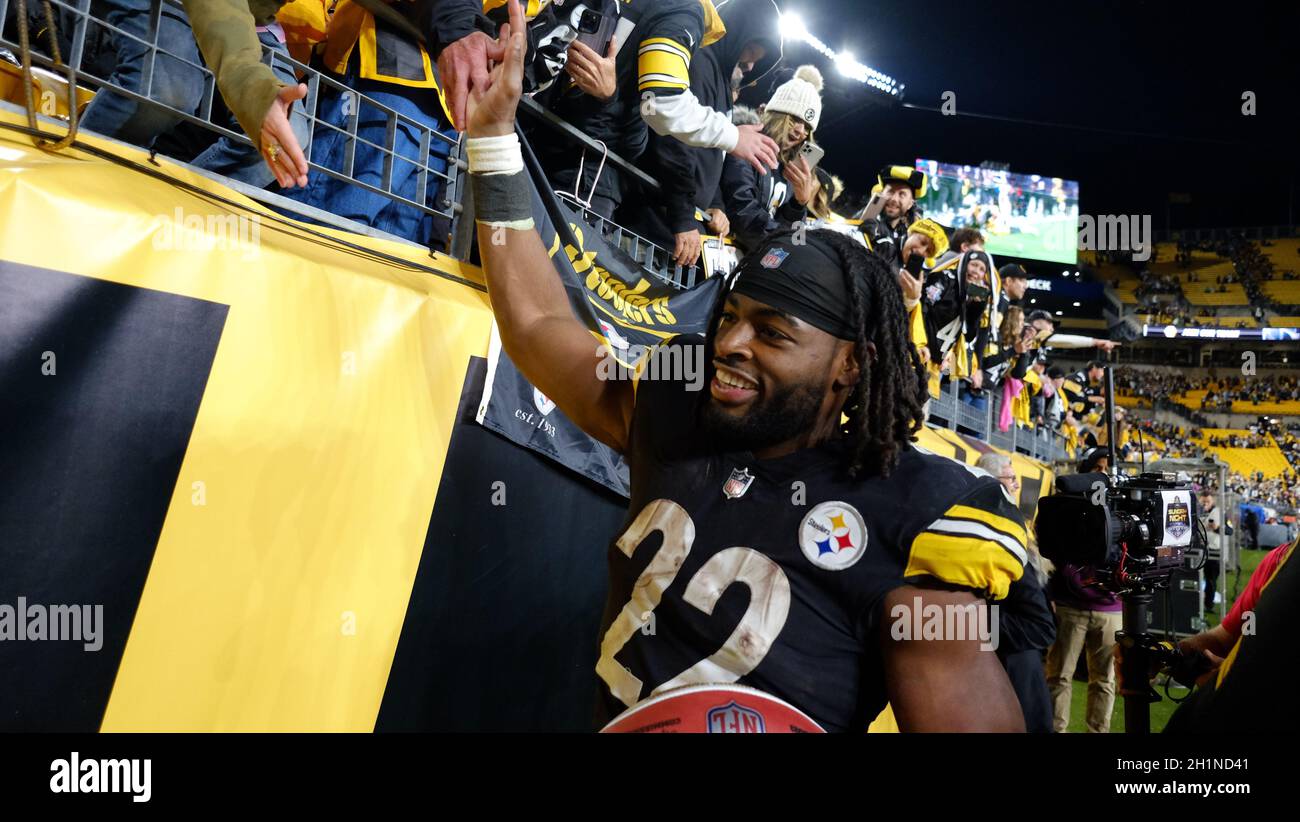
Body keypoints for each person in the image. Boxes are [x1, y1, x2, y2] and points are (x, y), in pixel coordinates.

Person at [464, 2, 1036, 731]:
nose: (731, 343)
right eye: (731, 318)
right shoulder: (676, 407)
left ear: (850, 369)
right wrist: (491, 140)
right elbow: (539, 322)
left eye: (773, 332)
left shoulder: (908, 522)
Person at [80, 0, 311, 189]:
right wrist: (253, 90)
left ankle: (171, 209)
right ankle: (78, 177)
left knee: (286, 135)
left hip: (254, 21)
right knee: (165, 91)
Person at [719, 65, 825, 252]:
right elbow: (743, 215)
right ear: (777, 114)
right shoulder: (746, 144)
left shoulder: (790, 168)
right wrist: (787, 248)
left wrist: (798, 205)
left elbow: (795, 238)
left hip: (759, 261)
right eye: (794, 119)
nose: (800, 131)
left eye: (807, 127)